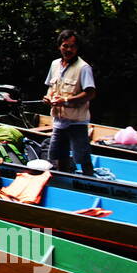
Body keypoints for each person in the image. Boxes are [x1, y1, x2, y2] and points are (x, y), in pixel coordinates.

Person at [43, 29, 96, 176]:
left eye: (72, 46)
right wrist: (48, 97)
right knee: (60, 154)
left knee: (82, 155)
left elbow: (90, 93)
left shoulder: (83, 68)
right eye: (65, 46)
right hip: (59, 120)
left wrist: (65, 100)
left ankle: (90, 179)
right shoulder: (54, 65)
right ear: (59, 46)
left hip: (77, 121)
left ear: (77, 48)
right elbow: (50, 87)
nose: (68, 50)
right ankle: (64, 179)